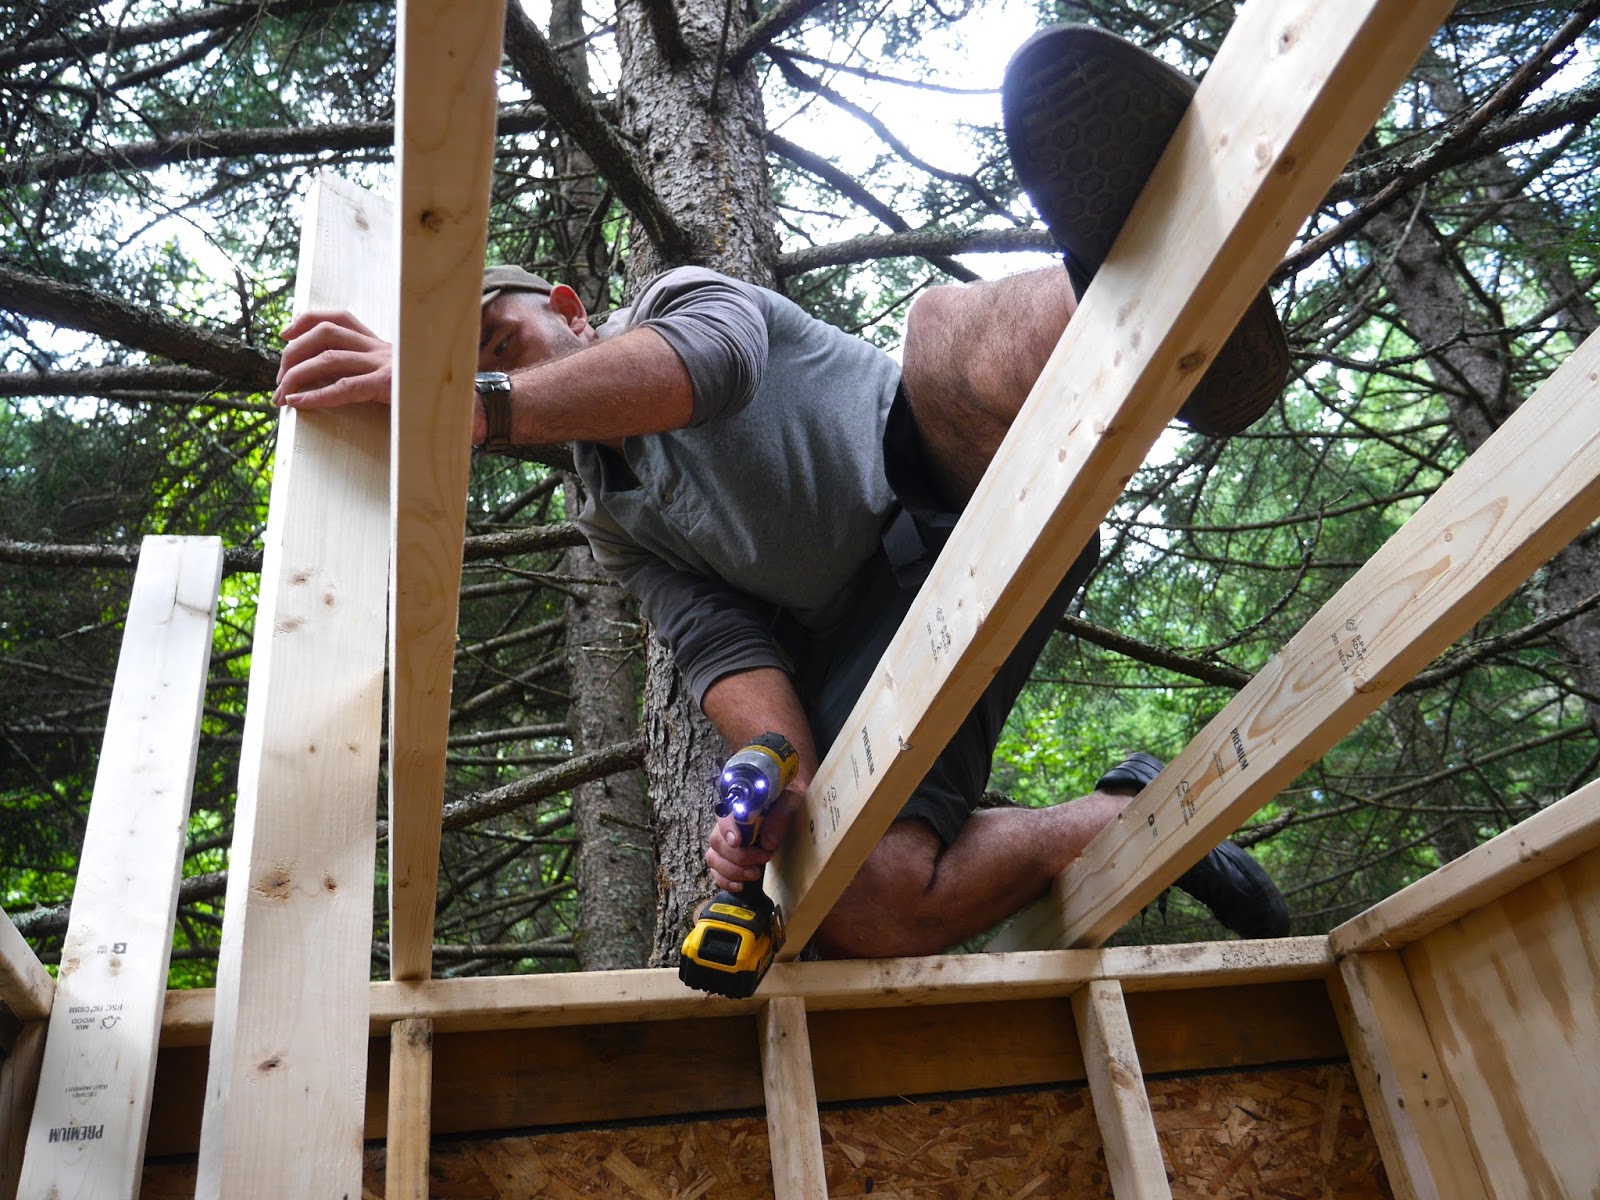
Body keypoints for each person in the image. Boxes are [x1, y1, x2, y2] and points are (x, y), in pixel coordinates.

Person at [272, 26, 1291, 957]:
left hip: (948, 473)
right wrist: (769, 790)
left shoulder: (676, 298)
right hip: (877, 641)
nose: (492, 373)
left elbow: (707, 368)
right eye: (474, 369)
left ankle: (1151, 289)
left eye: (501, 343)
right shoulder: (614, 524)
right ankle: (1121, 810)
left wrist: (467, 401)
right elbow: (730, 656)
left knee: (942, 337)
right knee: (861, 895)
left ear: (572, 311)